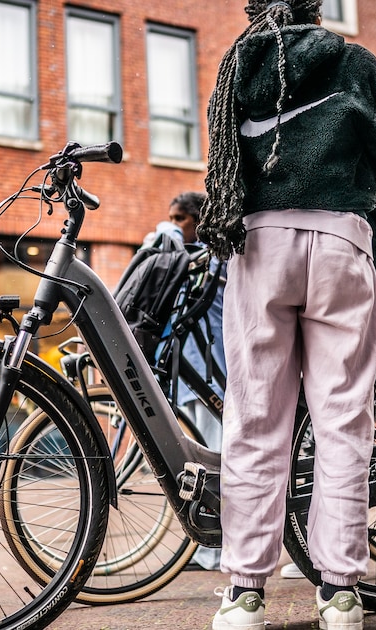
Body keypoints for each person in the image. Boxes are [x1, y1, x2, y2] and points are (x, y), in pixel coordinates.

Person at [197, 1, 376, 629]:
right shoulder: (355, 62)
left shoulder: (240, 65)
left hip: (260, 245)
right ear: (316, 7)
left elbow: (221, 161)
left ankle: (244, 594)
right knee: (343, 420)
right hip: (342, 243)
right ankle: (340, 592)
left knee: (255, 421)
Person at [167, 191, 227, 571]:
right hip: (190, 374)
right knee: (200, 459)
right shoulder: (190, 260)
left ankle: (216, 549)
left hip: (213, 373)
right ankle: (209, 548)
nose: (175, 227)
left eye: (180, 220)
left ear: (198, 220)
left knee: (215, 460)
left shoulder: (214, 258)